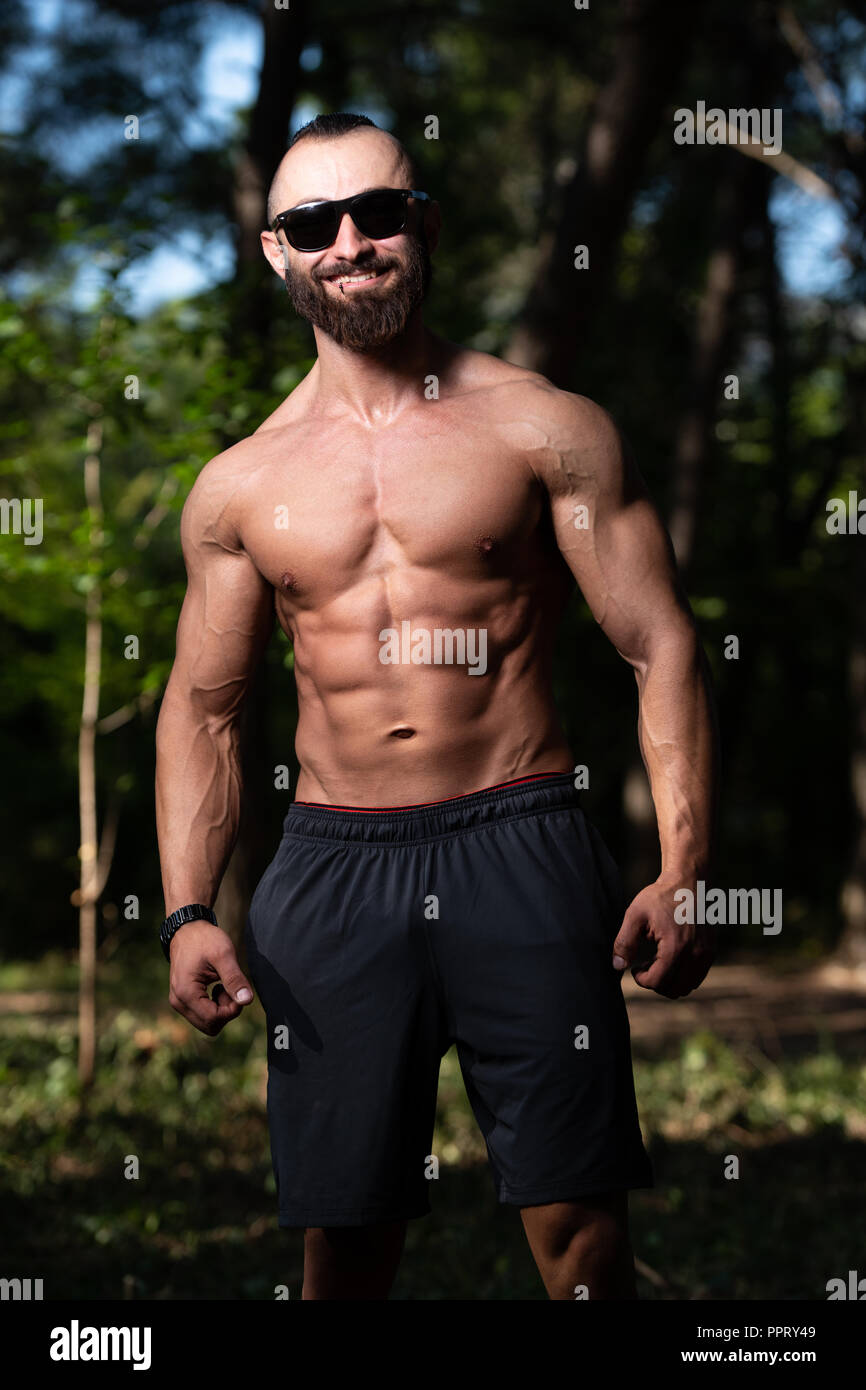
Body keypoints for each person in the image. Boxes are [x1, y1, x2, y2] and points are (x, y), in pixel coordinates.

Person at [155, 112, 719, 1301]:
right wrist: (185, 911)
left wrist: (684, 867)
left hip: (520, 837)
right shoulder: (239, 487)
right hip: (332, 867)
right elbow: (204, 711)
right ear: (276, 252)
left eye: (378, 213)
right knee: (342, 1251)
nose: (349, 241)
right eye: (314, 223)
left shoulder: (542, 426)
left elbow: (657, 644)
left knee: (581, 1246)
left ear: (424, 226)